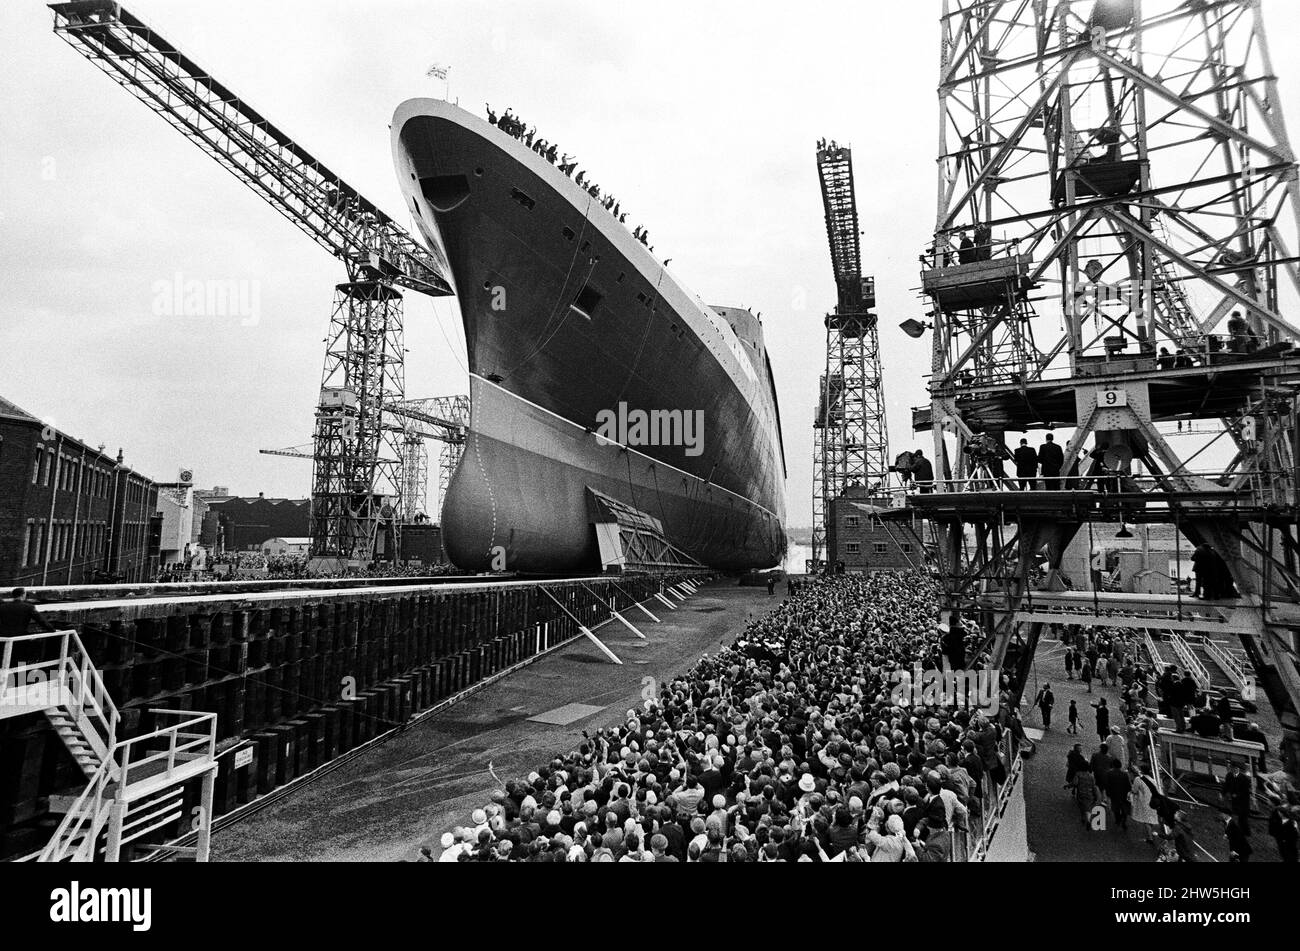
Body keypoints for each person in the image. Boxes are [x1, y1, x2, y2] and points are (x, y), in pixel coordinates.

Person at [1221, 761, 1253, 836]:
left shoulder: (1244, 778)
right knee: (1234, 815)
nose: (1233, 770)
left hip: (1243, 801)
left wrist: (1238, 795)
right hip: (1234, 800)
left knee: (1243, 818)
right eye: (1232, 768)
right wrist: (1222, 793)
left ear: (1237, 769)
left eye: (1235, 768)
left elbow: (1246, 791)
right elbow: (1226, 786)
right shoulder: (1229, 776)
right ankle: (1234, 830)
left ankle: (1246, 833)